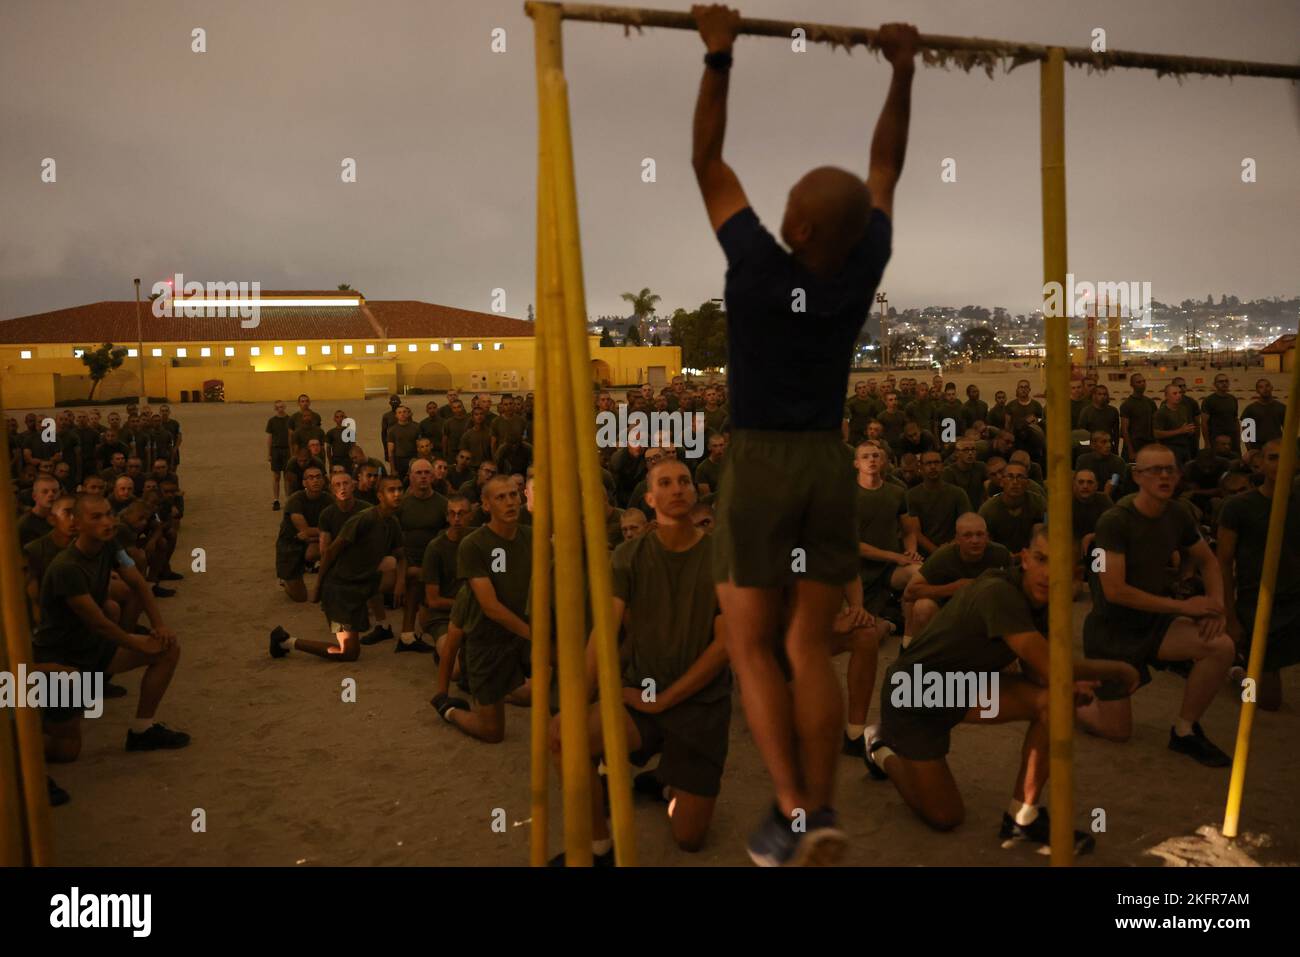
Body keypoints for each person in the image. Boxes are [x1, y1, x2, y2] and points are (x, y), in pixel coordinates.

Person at [864, 525, 1136, 852]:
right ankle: (879, 748)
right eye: (1041, 559)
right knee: (945, 817)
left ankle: (1023, 816)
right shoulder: (1000, 592)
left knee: (1054, 703)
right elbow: (1052, 666)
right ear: (1024, 559)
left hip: (964, 689)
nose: (1049, 573)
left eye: (1060, 566)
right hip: (915, 695)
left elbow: (1040, 672)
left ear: (1076, 573)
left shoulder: (1045, 601)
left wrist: (1065, 687)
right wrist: (1115, 668)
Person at [548, 458, 732, 864]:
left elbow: (725, 646)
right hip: (642, 694)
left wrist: (667, 700)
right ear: (650, 498)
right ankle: (598, 846)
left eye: (684, 481)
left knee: (690, 838)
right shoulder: (629, 556)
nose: (678, 488)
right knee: (562, 735)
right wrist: (576, 702)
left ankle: (665, 784)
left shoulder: (723, 555)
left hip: (700, 705)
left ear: (696, 492)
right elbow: (604, 633)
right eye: (665, 483)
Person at [1076, 444, 1235, 766]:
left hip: (1154, 622)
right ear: (1137, 476)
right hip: (1112, 632)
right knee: (1117, 731)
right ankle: (1068, 698)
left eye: (1170, 470)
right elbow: (1115, 591)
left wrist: (1216, 606)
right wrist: (1185, 607)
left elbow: (1208, 561)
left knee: (1220, 646)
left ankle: (1185, 731)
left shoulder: (1177, 513)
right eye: (1154, 470)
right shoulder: (1114, 521)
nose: (1164, 476)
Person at [34, 493, 190, 756]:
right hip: (61, 659)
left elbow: (137, 582)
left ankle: (142, 730)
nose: (107, 522)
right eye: (96, 517)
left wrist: (159, 625)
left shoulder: (107, 544)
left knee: (168, 649)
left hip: (92, 649)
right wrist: (135, 641)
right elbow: (99, 624)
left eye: (108, 514)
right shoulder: (67, 567)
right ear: (79, 523)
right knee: (67, 749)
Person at [432, 475, 532, 743]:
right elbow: (490, 608)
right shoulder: (474, 545)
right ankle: (452, 711)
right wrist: (442, 694)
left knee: (551, 689)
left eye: (513, 495)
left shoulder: (533, 537)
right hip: (489, 642)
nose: (510, 502)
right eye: (500, 497)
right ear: (486, 505)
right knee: (492, 732)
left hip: (523, 638)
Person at [270, 476, 406, 663]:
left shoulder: (392, 522)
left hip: (359, 588)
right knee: (347, 652)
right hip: (337, 592)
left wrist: (400, 582)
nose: (397, 494)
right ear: (380, 496)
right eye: (391, 490)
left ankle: (385, 626)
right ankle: (285, 641)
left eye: (400, 489)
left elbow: (401, 555)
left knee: (394, 570)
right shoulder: (363, 519)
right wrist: (318, 587)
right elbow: (330, 552)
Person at [1217, 440, 1300, 711]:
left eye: (1287, 457)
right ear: (1261, 463)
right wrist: (1229, 615)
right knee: (1264, 700)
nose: (1280, 464)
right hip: (1259, 604)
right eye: (1273, 458)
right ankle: (1239, 674)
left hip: (1296, 596)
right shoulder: (1239, 507)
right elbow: (1224, 563)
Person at [902, 512, 1010, 637]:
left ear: (987, 537)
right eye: (967, 535)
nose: (975, 540)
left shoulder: (1001, 554)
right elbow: (909, 592)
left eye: (980, 534)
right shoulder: (943, 557)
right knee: (923, 608)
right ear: (957, 539)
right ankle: (923, 653)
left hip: (988, 614)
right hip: (948, 614)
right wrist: (953, 588)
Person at [275, 465, 328, 603]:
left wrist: (319, 536)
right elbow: (304, 530)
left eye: (318, 477)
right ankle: (286, 580)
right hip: (290, 544)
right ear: (304, 483)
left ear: (323, 480)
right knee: (300, 598)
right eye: (310, 478)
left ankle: (312, 566)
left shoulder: (329, 500)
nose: (315, 480)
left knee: (324, 549)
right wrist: (324, 532)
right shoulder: (295, 500)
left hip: (311, 542)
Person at [906, 450, 971, 555]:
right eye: (928, 463)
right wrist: (938, 552)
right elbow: (915, 532)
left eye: (936, 463)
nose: (933, 467)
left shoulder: (958, 493)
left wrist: (950, 548)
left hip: (956, 550)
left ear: (942, 466)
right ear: (921, 468)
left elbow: (966, 526)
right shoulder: (911, 495)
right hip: (925, 555)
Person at [978, 461, 1045, 557]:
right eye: (1010, 476)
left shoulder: (1038, 502)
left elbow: (1047, 532)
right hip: (999, 559)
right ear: (1002, 482)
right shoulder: (988, 509)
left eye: (1020, 477)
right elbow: (983, 542)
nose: (1015, 482)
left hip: (1032, 556)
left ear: (1027, 483)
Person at [1153, 383, 1198, 467]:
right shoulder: (1161, 413)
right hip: (1170, 450)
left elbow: (1187, 426)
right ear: (1166, 396)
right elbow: (1157, 434)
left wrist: (1189, 430)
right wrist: (1180, 431)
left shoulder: (1183, 409)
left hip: (1185, 448)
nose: (1179, 396)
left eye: (1180, 393)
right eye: (1175, 393)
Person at [1076, 431, 1127, 500]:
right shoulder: (1083, 460)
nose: (1108, 445)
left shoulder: (1118, 462)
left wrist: (1104, 497)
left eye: (1109, 441)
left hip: (1112, 499)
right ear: (1092, 445)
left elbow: (1114, 480)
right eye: (1103, 442)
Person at [1119, 372, 1157, 461]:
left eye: (1143, 381)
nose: (1142, 384)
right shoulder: (1127, 404)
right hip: (1133, 445)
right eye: (1138, 382)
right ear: (1132, 385)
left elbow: (1155, 425)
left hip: (1148, 444)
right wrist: (1131, 451)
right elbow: (1125, 430)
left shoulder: (1150, 403)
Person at [1200, 372, 1240, 454]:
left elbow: (1235, 420)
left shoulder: (1232, 399)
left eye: (1226, 381)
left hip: (1232, 440)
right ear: (1214, 384)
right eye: (1221, 382)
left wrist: (1238, 439)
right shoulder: (1209, 401)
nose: (1224, 383)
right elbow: (1204, 423)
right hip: (1216, 440)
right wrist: (1207, 443)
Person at [1241, 378, 1285, 450]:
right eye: (1261, 387)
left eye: (1267, 386)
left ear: (1271, 388)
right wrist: (1250, 450)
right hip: (1258, 447)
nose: (1265, 389)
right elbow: (1246, 433)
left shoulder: (1281, 407)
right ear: (1257, 391)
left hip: (1277, 445)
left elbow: (1287, 429)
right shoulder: (1250, 409)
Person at [265, 400, 292, 510]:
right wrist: (269, 453)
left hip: (287, 450)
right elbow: (270, 438)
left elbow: (292, 436)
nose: (280, 409)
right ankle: (276, 500)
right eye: (278, 407)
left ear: (284, 407)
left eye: (282, 407)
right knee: (276, 476)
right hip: (276, 450)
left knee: (287, 477)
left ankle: (288, 499)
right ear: (275, 409)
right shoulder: (272, 421)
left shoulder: (290, 420)